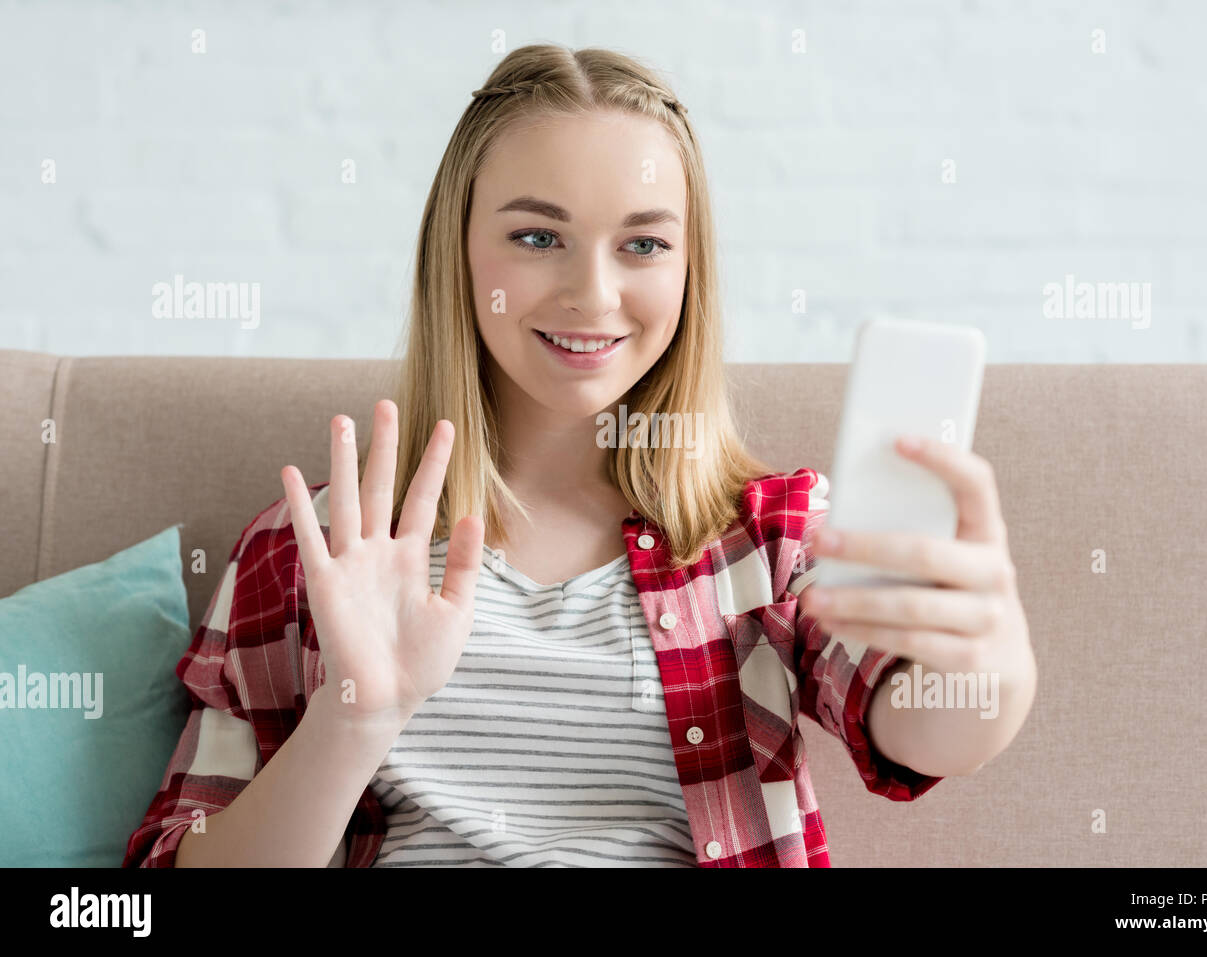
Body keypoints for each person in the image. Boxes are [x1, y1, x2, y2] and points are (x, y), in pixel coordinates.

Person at [124, 43, 1035, 868]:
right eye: (536, 237)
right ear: (459, 252)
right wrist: (353, 715)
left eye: (642, 243)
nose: (592, 294)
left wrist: (987, 666)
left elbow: (919, 728)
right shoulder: (314, 547)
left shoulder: (769, 542)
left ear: (688, 270)